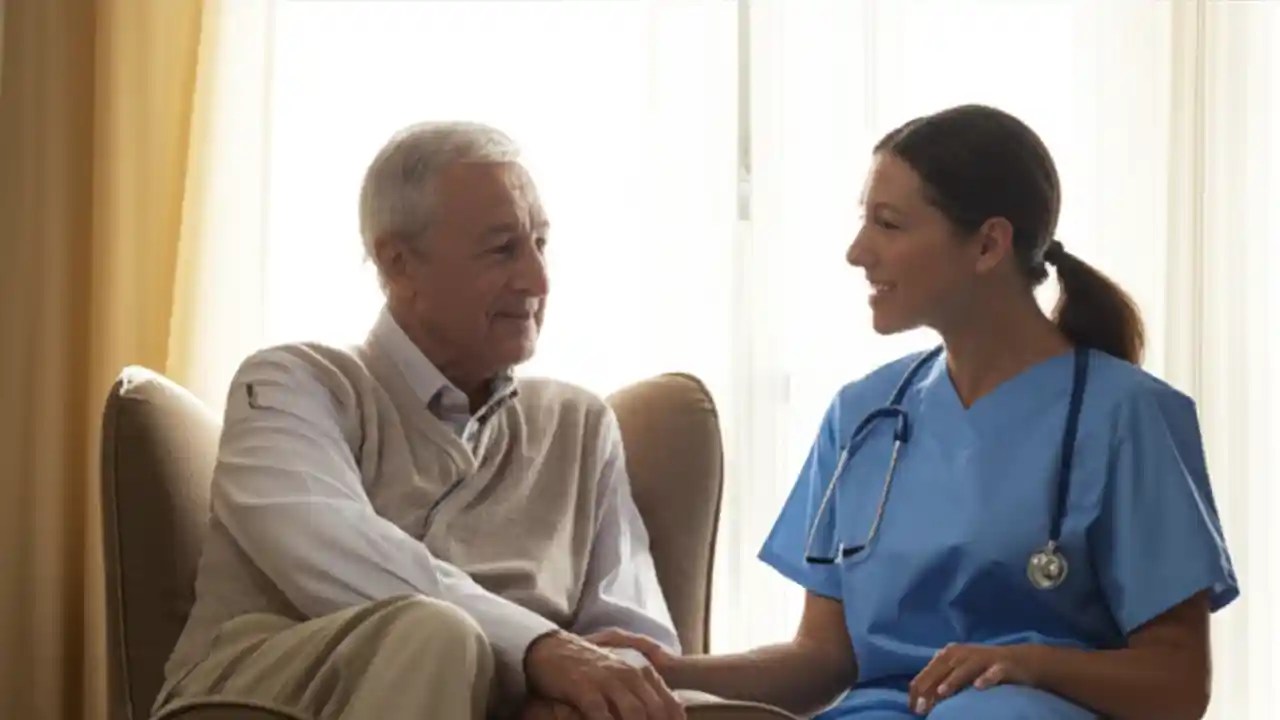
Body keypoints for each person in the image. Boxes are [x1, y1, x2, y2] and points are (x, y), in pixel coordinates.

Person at [594, 104, 1239, 719]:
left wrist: (1031, 665)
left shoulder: (1130, 417)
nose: (857, 251)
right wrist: (670, 669)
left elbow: (1177, 684)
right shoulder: (864, 416)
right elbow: (821, 659)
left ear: (988, 246)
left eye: (889, 224)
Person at [153, 122, 687, 720]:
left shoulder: (581, 426)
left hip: (502, 697)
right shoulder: (292, 383)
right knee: (434, 633)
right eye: (503, 248)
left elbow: (637, 643)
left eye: (540, 243)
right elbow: (327, 549)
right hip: (273, 689)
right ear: (398, 262)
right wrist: (538, 650)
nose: (536, 279)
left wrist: (575, 694)